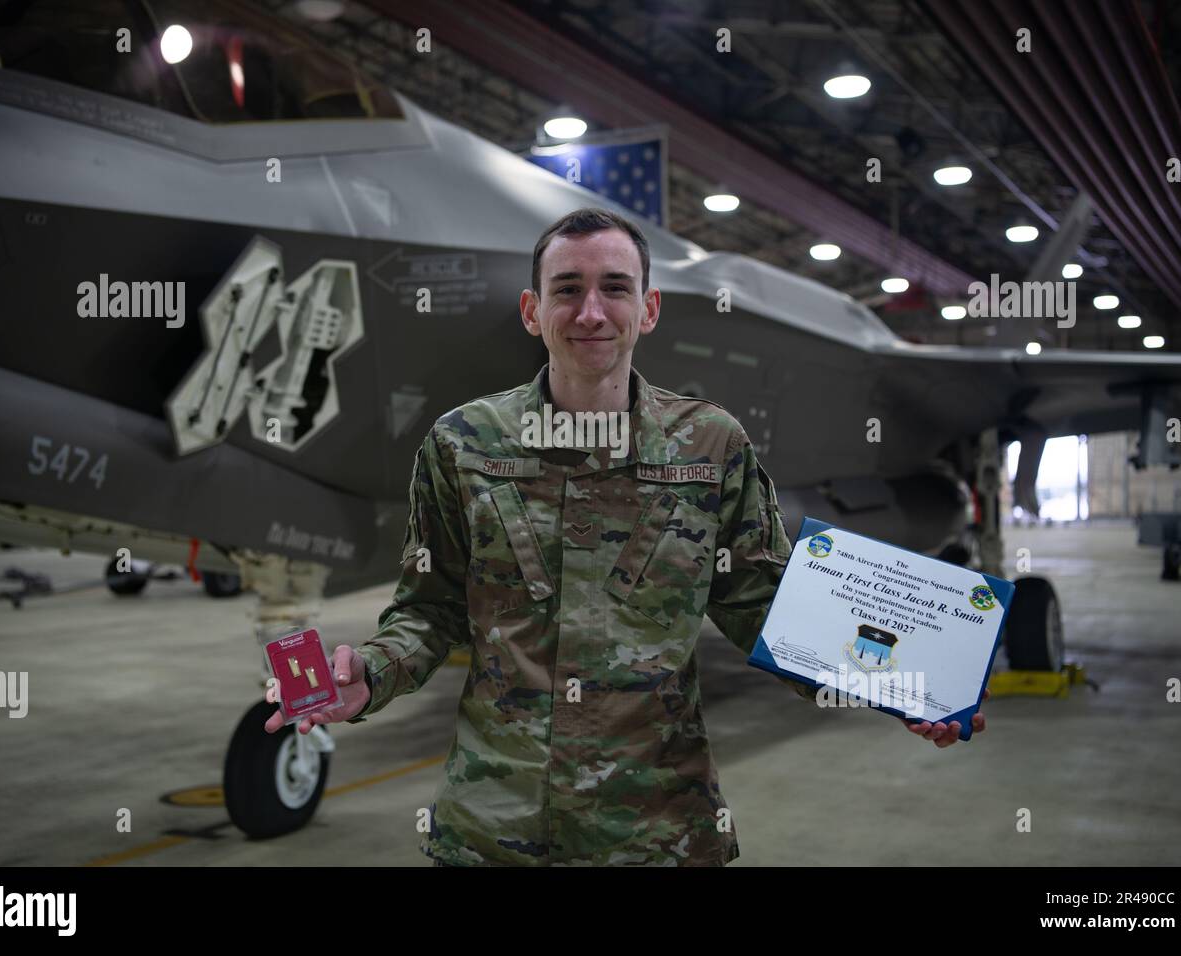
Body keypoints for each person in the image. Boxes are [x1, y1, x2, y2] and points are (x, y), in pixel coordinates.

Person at [264, 206, 985, 866]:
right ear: (531, 310)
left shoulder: (710, 446)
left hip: (659, 832)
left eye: (614, 288)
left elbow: (767, 607)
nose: (590, 312)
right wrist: (374, 674)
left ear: (649, 309)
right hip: (496, 830)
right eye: (567, 289)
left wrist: (906, 682)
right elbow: (431, 607)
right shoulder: (462, 444)